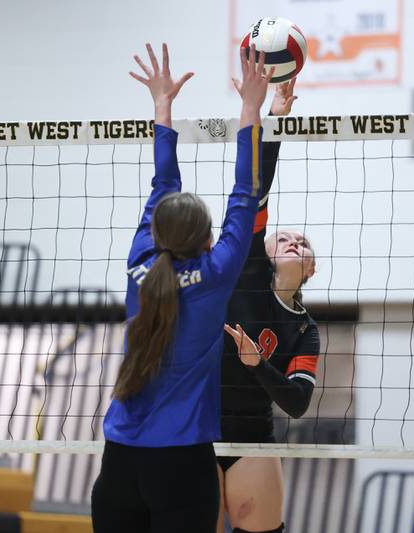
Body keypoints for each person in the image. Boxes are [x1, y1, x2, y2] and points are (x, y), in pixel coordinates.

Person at [90, 42, 273, 533]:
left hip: (120, 464)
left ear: (156, 234)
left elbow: (163, 185)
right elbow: (246, 192)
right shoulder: (215, 274)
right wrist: (251, 109)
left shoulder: (138, 265)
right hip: (182, 464)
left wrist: (161, 106)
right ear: (209, 240)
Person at [217, 77, 320, 533]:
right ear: (265, 248)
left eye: (303, 242)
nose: (294, 241)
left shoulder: (305, 330)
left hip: (251, 435)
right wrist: (274, 120)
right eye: (285, 237)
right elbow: (256, 187)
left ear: (312, 270)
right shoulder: (247, 268)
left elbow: (297, 402)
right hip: (197, 425)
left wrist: (258, 365)